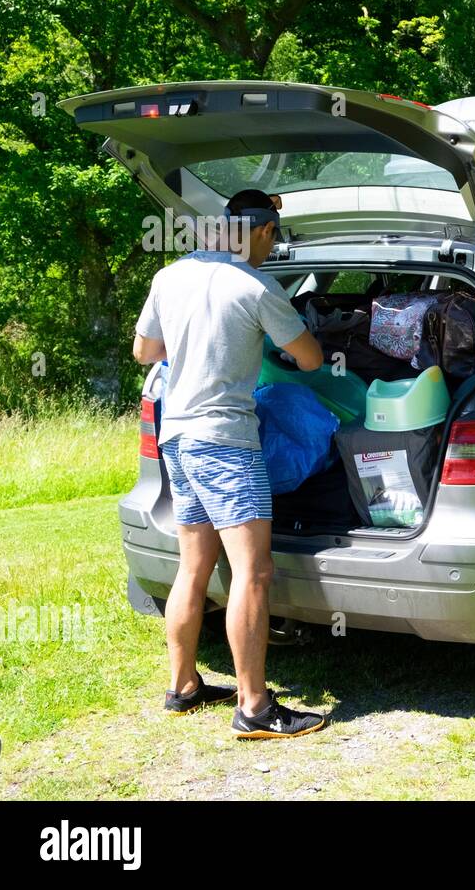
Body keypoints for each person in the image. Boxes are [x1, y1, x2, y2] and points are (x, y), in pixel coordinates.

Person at [132, 189, 330, 739]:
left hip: (177, 437)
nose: (274, 248)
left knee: (193, 567)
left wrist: (197, 346)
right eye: (275, 238)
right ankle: (254, 705)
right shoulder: (255, 285)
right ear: (264, 231)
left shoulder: (169, 277)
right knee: (254, 571)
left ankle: (183, 686)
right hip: (225, 442)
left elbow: (145, 353)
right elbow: (311, 358)